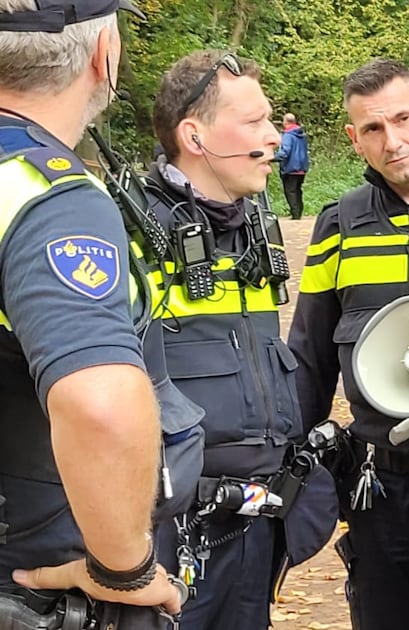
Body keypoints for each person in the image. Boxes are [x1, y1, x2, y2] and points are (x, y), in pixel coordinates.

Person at [0, 0, 196, 626]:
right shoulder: (46, 193)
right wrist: (124, 568)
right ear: (102, 53)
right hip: (33, 579)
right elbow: (101, 406)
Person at [288, 58, 409, 630]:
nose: (392, 140)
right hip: (378, 487)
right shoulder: (340, 224)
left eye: (403, 118)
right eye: (373, 129)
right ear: (354, 139)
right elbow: (309, 356)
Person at [143, 50, 336, 630]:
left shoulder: (252, 230)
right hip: (166, 535)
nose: (273, 137)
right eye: (254, 123)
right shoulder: (130, 237)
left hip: (254, 526)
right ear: (194, 136)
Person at [276, 113, 309, 219]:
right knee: (298, 190)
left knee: (290, 191)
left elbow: (285, 152)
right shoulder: (301, 134)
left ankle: (295, 215)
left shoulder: (288, 135)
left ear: (285, 122)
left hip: (290, 168)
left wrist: (271, 158)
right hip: (301, 167)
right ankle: (298, 212)